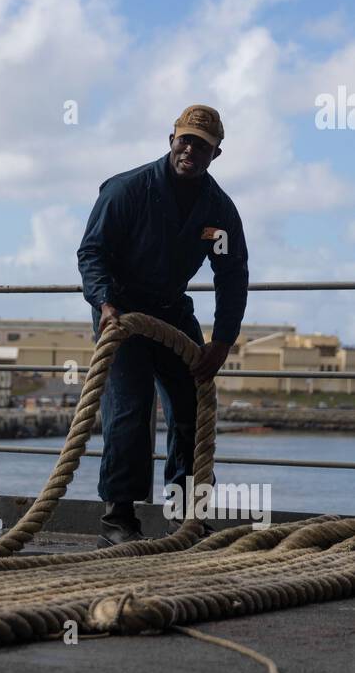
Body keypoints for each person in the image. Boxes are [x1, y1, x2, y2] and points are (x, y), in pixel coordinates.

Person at [76, 105, 248, 547]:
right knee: (130, 411)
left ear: (216, 153)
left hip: (172, 309)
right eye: (185, 139)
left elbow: (231, 274)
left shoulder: (219, 211)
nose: (191, 149)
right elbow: (91, 253)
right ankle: (118, 516)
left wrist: (222, 340)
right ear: (171, 139)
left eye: (202, 145)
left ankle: (185, 515)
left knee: (192, 410)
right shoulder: (126, 190)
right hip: (121, 309)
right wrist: (105, 303)